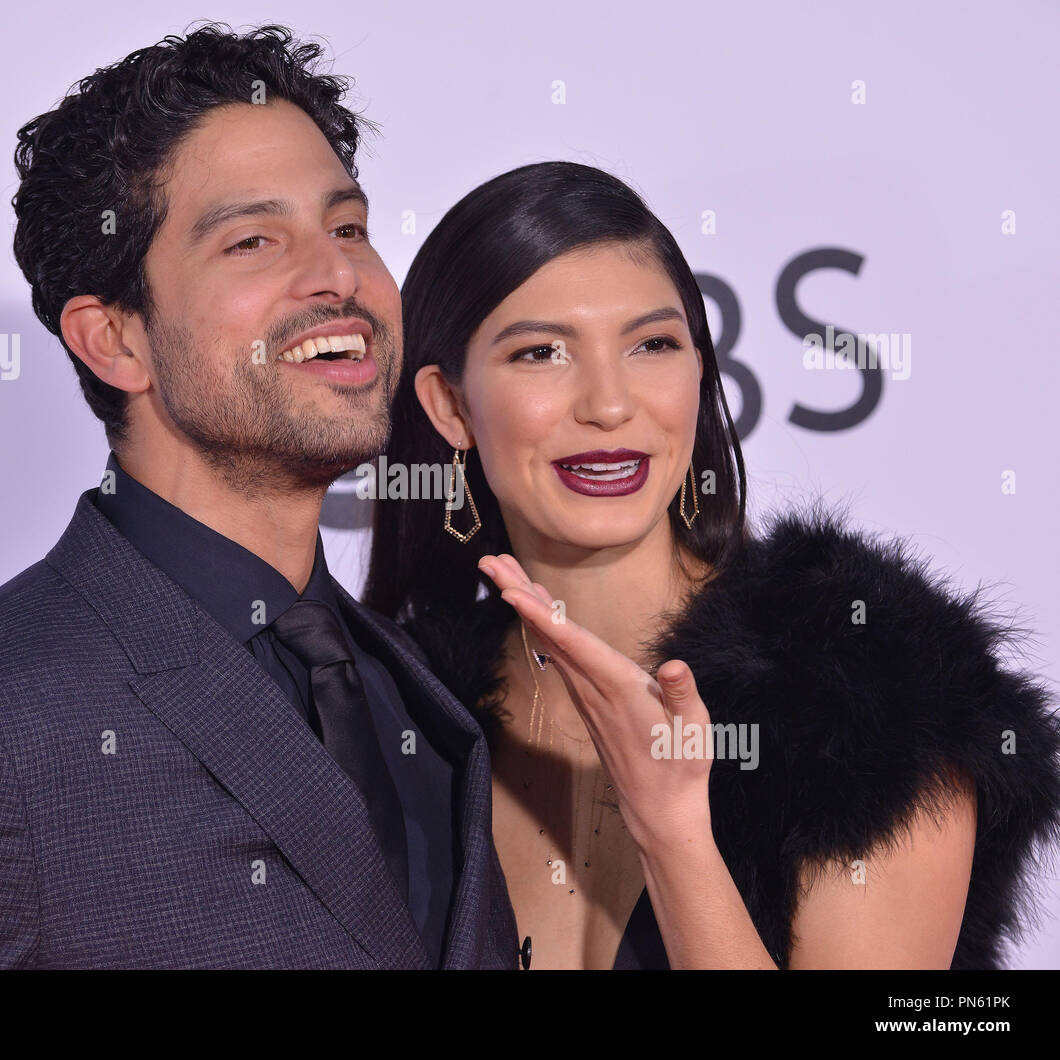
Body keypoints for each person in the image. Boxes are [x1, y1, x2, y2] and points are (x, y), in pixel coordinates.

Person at [0, 24, 518, 969]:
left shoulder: (423, 691)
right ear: (114, 341)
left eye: (348, 227)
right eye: (253, 240)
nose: (338, 275)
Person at [364, 160, 1060, 969]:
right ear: (451, 406)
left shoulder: (874, 694)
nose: (609, 404)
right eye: (542, 353)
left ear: (699, 373)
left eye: (652, 344)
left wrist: (673, 834)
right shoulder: (400, 715)